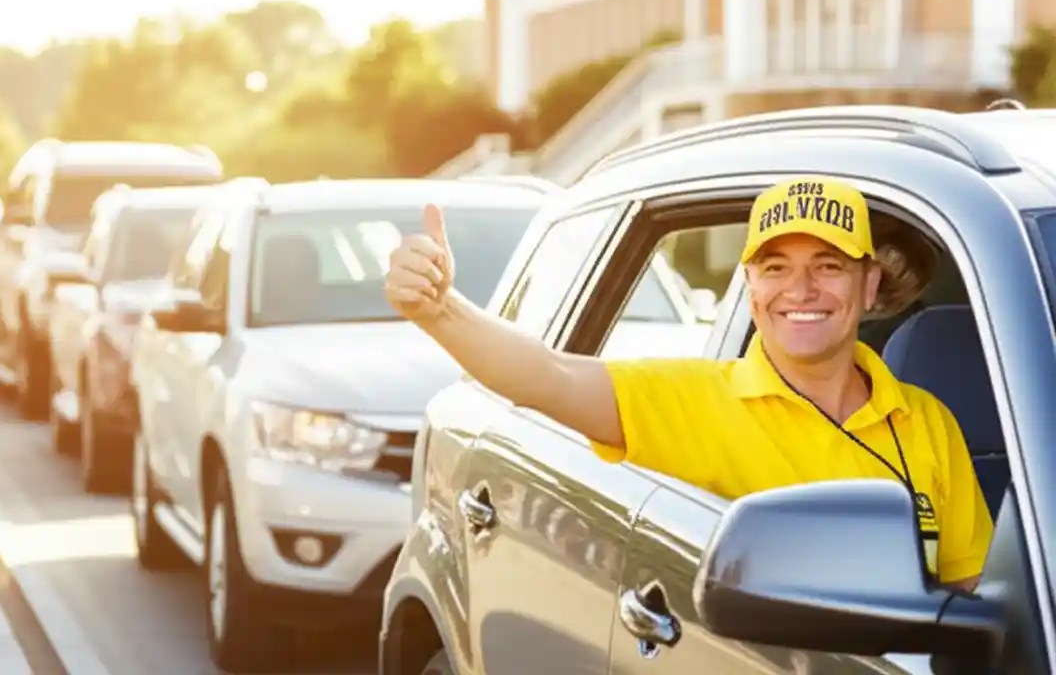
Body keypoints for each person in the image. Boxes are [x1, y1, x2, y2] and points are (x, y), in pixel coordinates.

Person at [385, 177, 993, 592]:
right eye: (776, 268)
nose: (801, 290)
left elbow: (971, 594)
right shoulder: (695, 399)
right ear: (750, 290)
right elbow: (549, 376)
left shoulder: (927, 422)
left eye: (828, 266)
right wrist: (441, 313)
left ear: (867, 286)